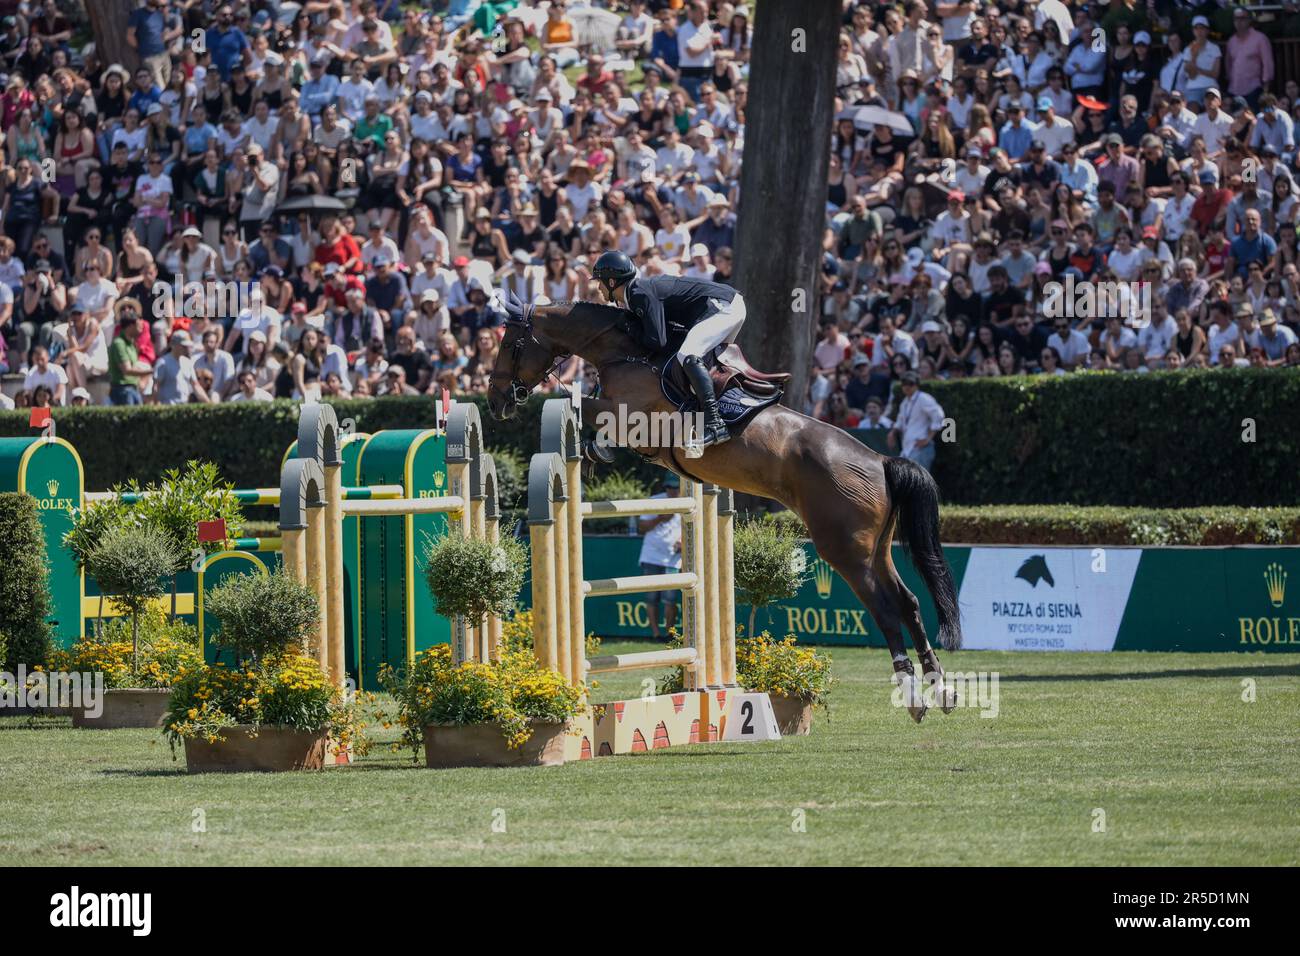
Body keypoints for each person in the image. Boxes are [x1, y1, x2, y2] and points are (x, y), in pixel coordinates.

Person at [578, 248, 747, 447]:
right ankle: (716, 414)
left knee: (688, 354)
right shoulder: (635, 296)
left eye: (600, 281)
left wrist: (630, 328)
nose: (599, 288)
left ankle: (715, 424)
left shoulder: (639, 293)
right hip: (723, 306)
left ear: (612, 282)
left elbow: (658, 341)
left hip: (723, 307)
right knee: (696, 364)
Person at [636, 473, 683, 640]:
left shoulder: (688, 502)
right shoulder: (654, 500)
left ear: (681, 487)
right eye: (669, 487)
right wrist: (660, 518)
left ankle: (670, 633)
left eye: (675, 487)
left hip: (673, 559)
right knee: (651, 598)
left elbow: (695, 528)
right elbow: (641, 527)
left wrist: (683, 542)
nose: (672, 490)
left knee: (670, 599)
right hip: (651, 557)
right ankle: (656, 634)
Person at [887, 371, 944, 472]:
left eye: (911, 383)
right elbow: (900, 421)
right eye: (904, 383)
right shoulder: (905, 402)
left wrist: (928, 438)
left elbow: (939, 415)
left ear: (917, 385)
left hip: (921, 449)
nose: (907, 386)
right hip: (909, 450)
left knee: (919, 485)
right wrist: (892, 433)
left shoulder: (923, 398)